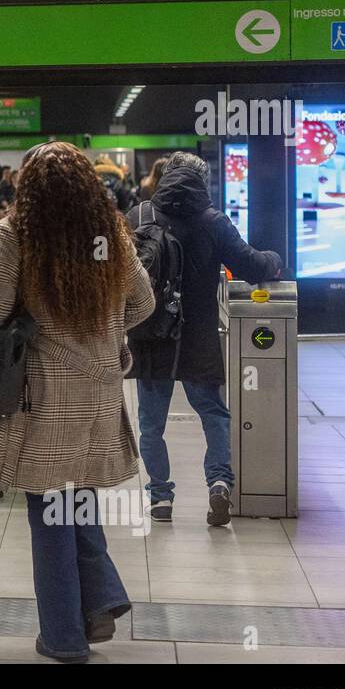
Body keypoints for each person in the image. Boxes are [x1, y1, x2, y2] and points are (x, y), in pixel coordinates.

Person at [0, 141, 154, 663]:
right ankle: (100, 603)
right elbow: (143, 301)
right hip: (98, 393)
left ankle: (63, 637)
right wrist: (104, 330)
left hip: (45, 394)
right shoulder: (111, 231)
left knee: (50, 513)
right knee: (77, 500)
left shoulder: (15, 234)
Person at [126, 152, 283, 525]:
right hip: (197, 336)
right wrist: (274, 259)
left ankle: (160, 498)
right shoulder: (214, 222)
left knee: (151, 423)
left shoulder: (140, 216)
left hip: (151, 334)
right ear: (204, 182)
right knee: (213, 413)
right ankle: (219, 484)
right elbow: (250, 264)